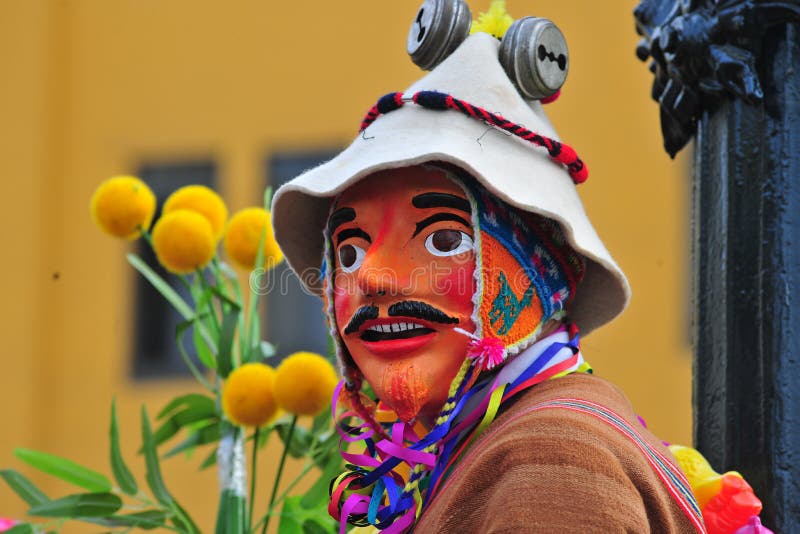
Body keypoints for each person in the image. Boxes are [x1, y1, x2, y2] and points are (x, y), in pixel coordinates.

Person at [271, 4, 705, 532]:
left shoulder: (551, 460)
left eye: (444, 239)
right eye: (348, 253)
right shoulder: (490, 451)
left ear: (543, 272)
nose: (373, 279)